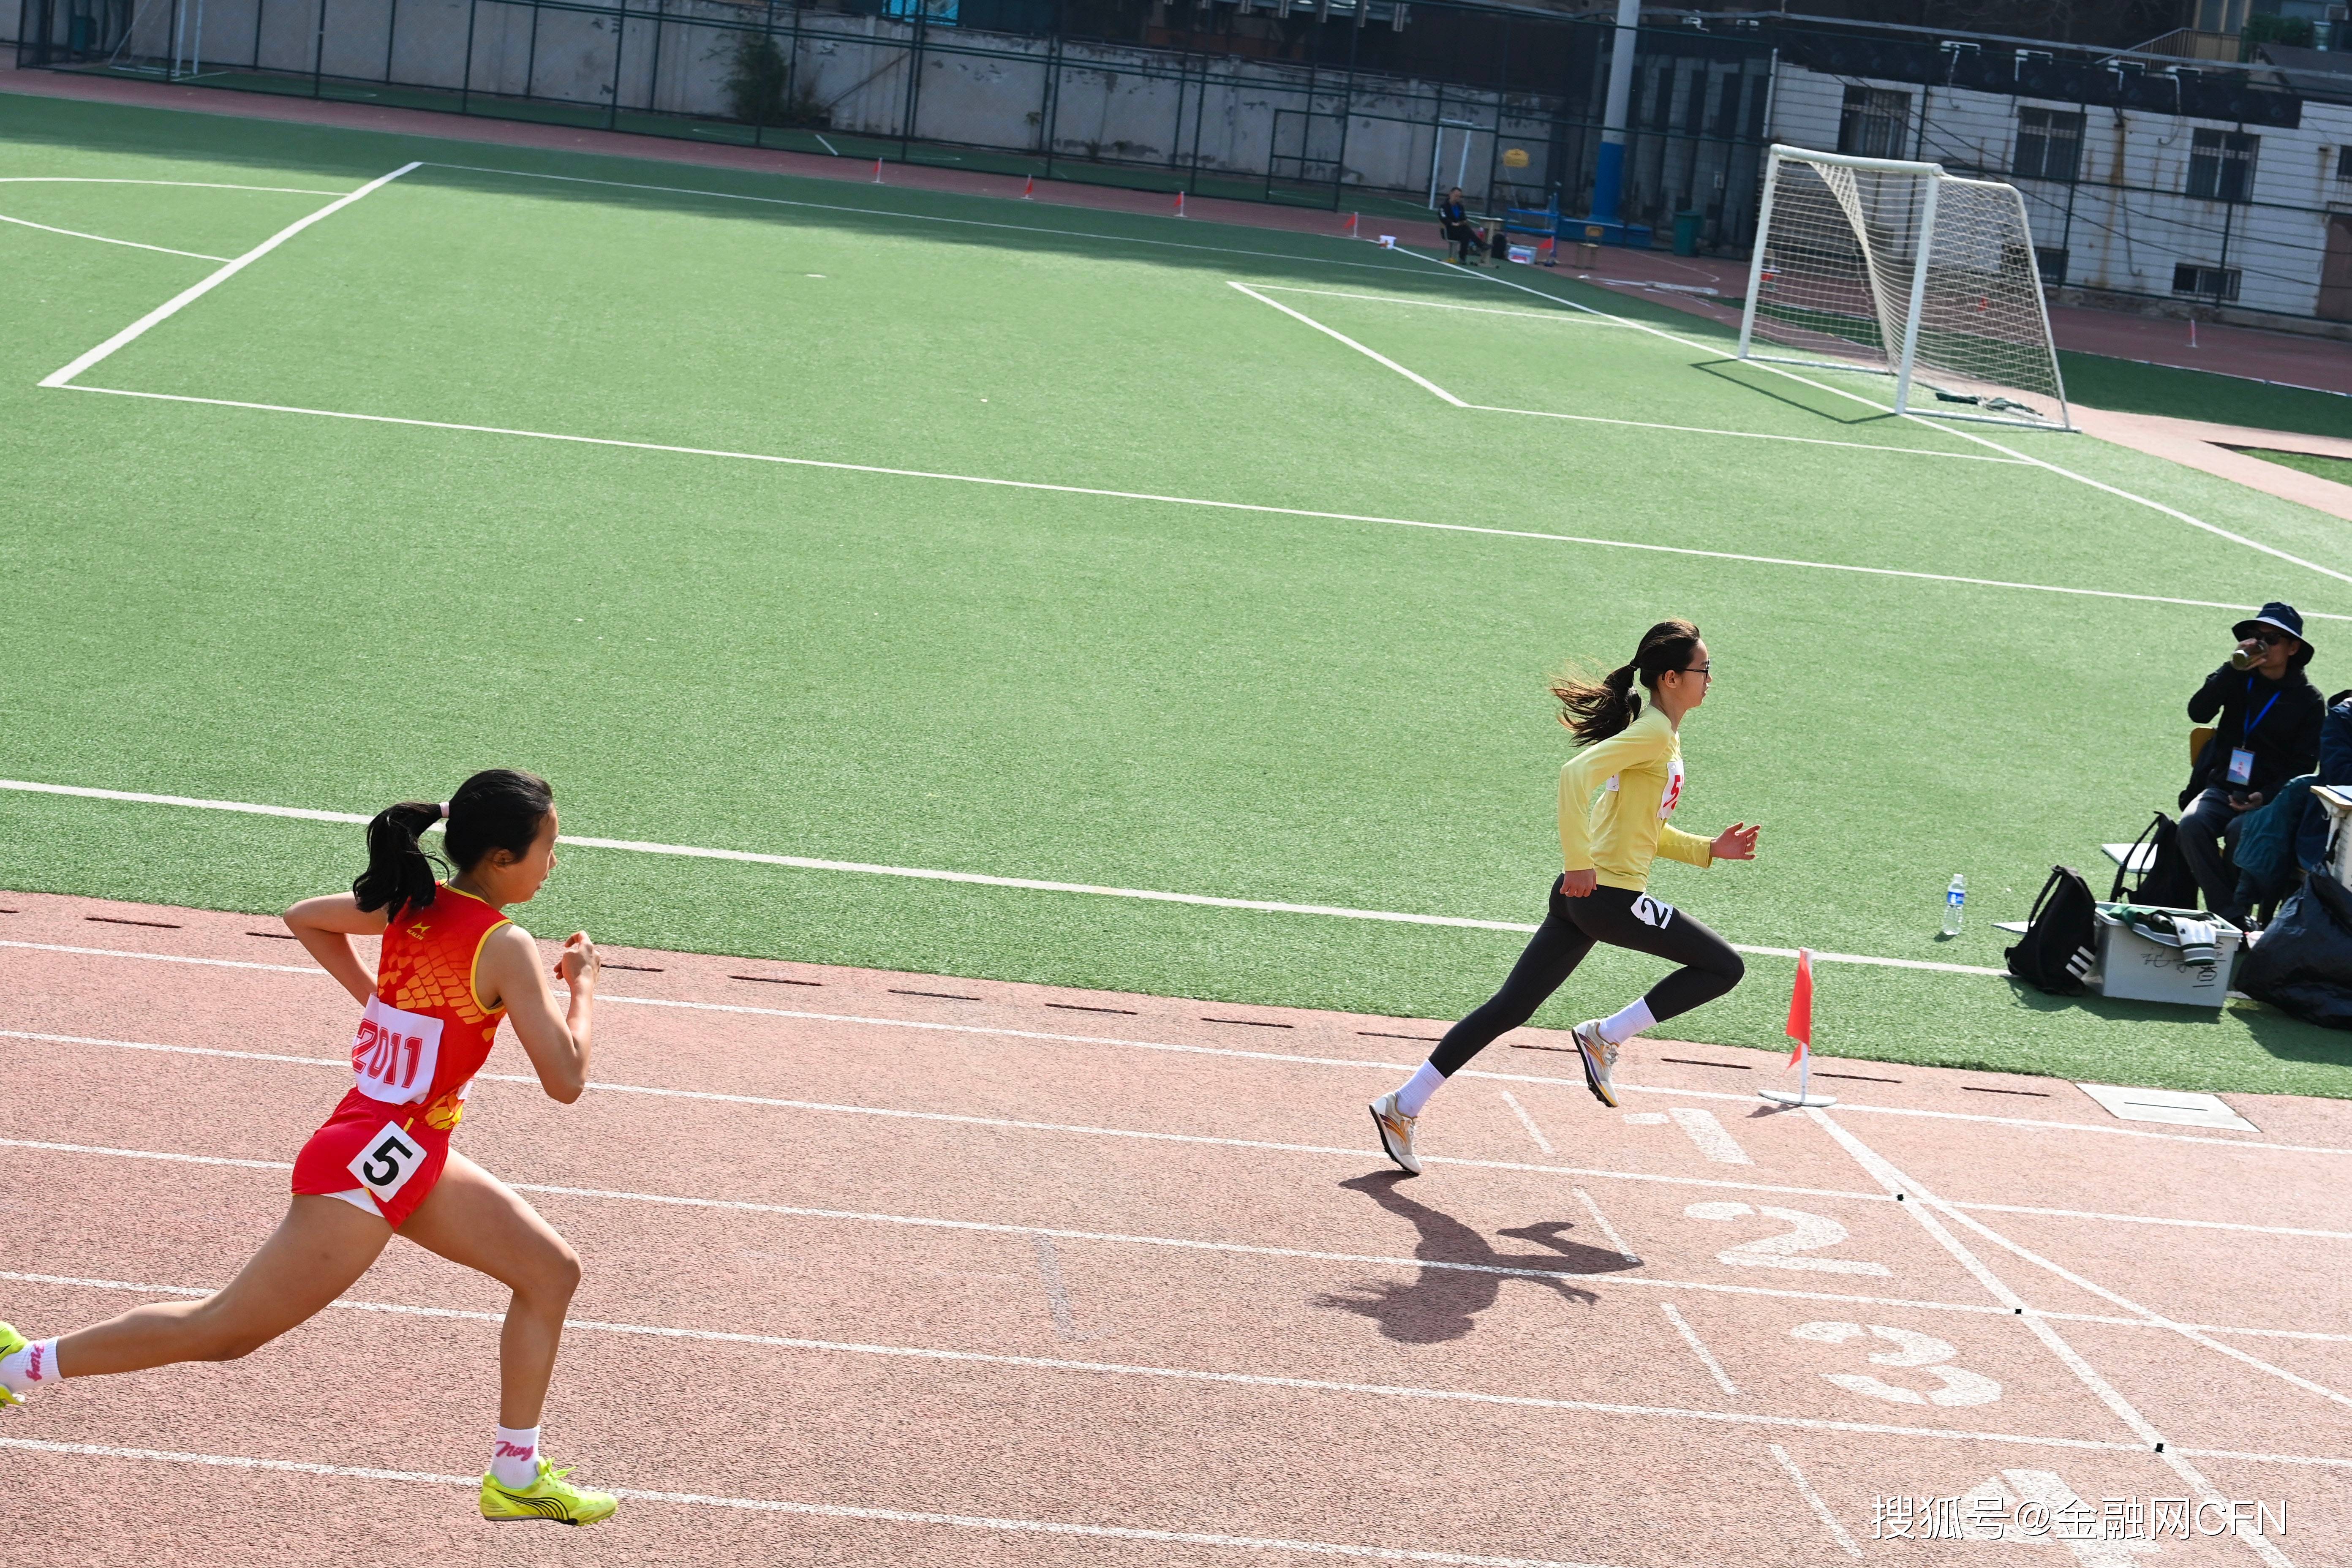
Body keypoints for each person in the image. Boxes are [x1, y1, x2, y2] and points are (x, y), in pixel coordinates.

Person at [0, 769, 619, 1526]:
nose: (553, 862)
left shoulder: (411, 903)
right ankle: (17, 1364)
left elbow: (305, 916)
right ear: (497, 858)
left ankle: (515, 1473)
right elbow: (566, 1080)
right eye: (547, 847)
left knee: (551, 1272)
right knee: (224, 1331)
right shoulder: (508, 947)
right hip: (368, 1162)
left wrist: (380, 1002)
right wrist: (583, 988)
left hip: (408, 1150)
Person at [1369, 620, 1758, 1174]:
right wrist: (1579, 863)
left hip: (1585, 896)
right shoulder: (1651, 734)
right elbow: (1575, 776)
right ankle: (1605, 1035)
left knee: (1510, 1008)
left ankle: (1401, 1106)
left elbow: (1640, 829)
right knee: (1724, 966)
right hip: (1605, 896)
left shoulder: (1660, 737)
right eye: (1704, 670)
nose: (1710, 680)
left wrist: (1708, 850)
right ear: (1671, 679)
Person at [2179, 603, 2324, 928]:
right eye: (2255, 637)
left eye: (2272, 639)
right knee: (2191, 825)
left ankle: (2234, 911)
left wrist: (2265, 796)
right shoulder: (2236, 679)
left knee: (2237, 833)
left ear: (2293, 648)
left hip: (2269, 801)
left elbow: (2303, 767)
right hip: (2222, 787)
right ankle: (2230, 913)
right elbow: (2198, 713)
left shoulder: (2309, 701)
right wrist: (2231, 669)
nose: (2260, 644)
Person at [1438, 187, 1484, 266]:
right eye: (1456, 196)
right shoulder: (1444, 207)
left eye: (1459, 197)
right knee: (1466, 230)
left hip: (1460, 230)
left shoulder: (1460, 207)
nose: (1457, 198)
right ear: (1450, 194)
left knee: (1466, 233)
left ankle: (1463, 258)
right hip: (1449, 231)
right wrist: (1453, 224)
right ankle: (1480, 245)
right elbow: (1443, 218)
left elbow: (1464, 218)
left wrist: (1464, 221)